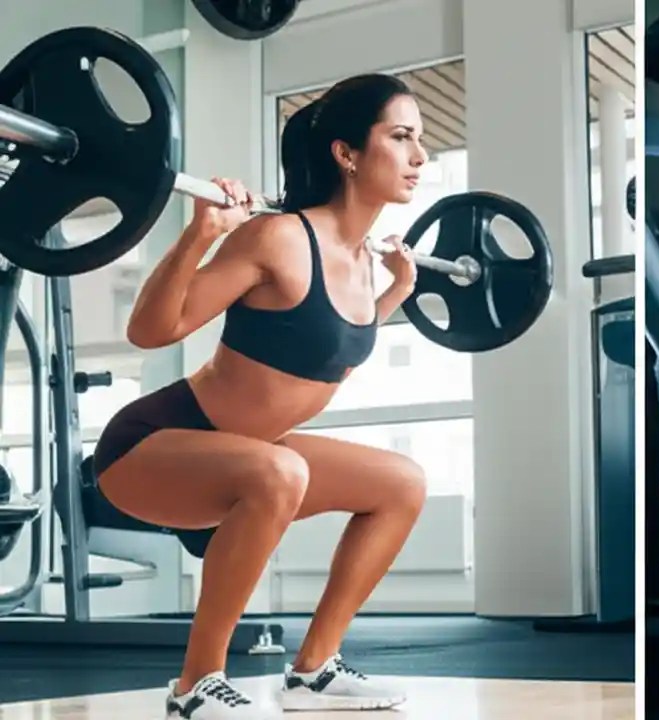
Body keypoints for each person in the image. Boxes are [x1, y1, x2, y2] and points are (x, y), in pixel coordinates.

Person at [94, 73, 429, 719]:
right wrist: (202, 234)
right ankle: (196, 684)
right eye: (401, 136)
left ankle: (314, 672)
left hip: (249, 456)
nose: (418, 156)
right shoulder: (278, 237)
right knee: (282, 469)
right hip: (148, 448)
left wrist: (395, 295)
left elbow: (326, 356)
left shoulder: (363, 261)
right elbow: (149, 331)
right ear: (347, 153)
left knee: (401, 484)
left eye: (419, 140)